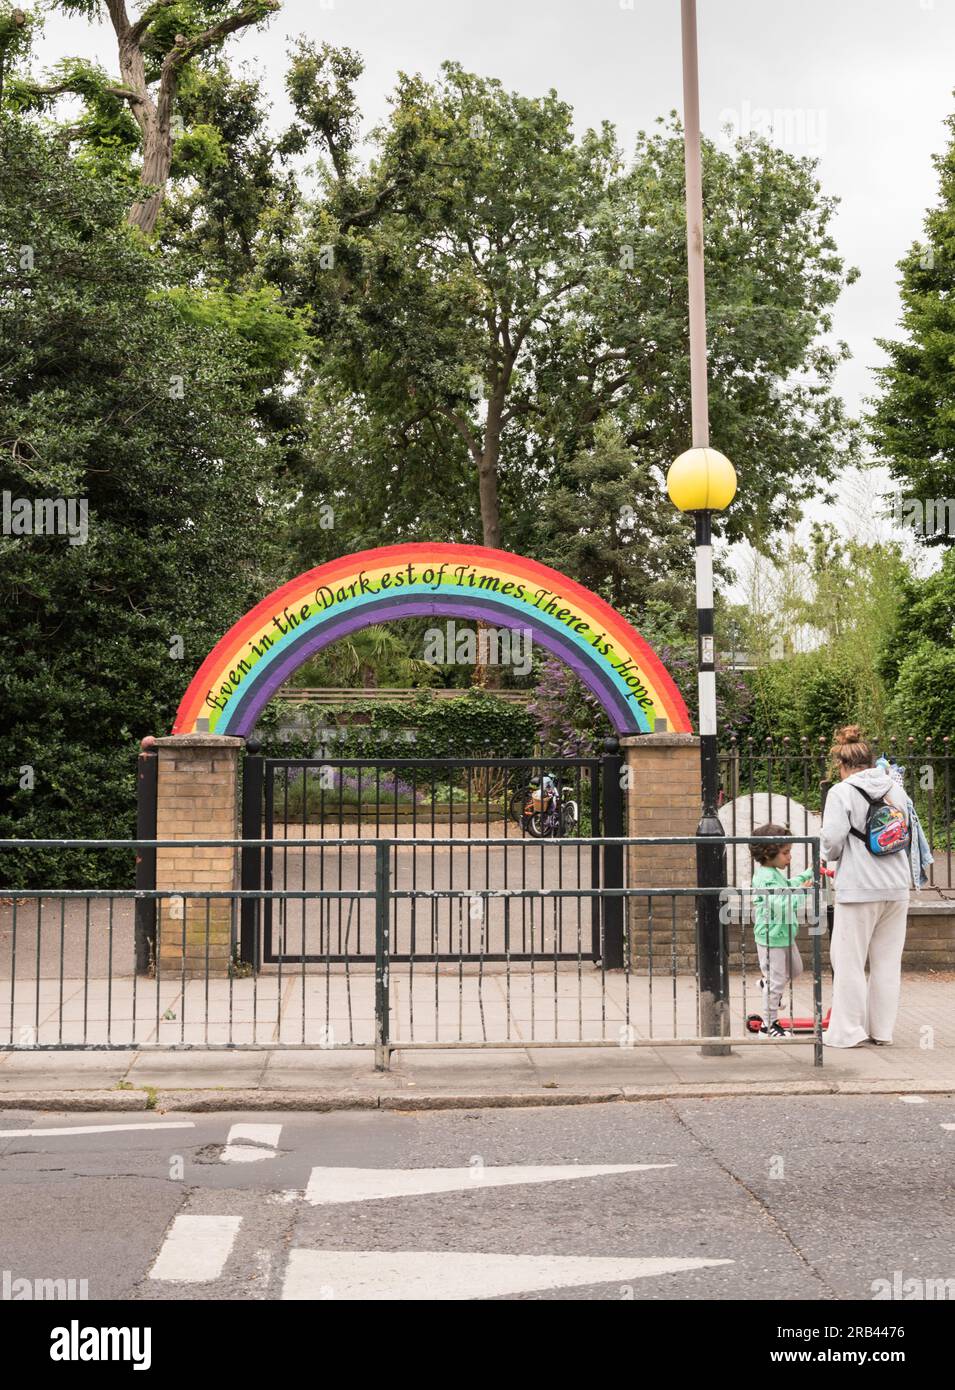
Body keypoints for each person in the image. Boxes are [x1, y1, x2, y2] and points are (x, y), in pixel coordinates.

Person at [821, 725, 911, 1048]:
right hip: (897, 887)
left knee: (849, 961)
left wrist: (829, 856)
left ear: (843, 765)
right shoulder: (896, 789)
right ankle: (882, 1031)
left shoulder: (841, 792)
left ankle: (847, 1031)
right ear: (870, 762)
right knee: (887, 963)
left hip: (859, 888)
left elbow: (832, 842)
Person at [751, 823, 815, 1036]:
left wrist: (807, 874)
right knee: (777, 982)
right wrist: (802, 893)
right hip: (771, 937)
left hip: (784, 934)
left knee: (795, 970)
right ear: (768, 854)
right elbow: (781, 904)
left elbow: (788, 885)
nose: (789, 857)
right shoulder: (764, 878)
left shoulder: (773, 873)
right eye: (785, 853)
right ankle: (768, 1025)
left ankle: (766, 984)